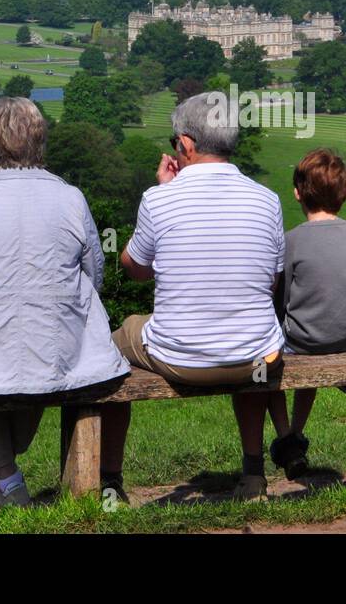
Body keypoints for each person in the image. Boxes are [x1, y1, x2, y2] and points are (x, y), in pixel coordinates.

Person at [0, 97, 129, 508]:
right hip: (56, 344)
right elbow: (95, 275)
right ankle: (7, 476)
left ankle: (5, 479)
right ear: (39, 138)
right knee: (34, 371)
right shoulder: (71, 198)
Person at [102, 92, 285, 502]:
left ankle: (109, 480)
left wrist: (164, 189)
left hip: (180, 357)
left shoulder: (158, 200)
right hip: (255, 358)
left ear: (186, 145)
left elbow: (132, 268)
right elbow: (269, 283)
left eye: (175, 145)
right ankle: (253, 475)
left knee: (109, 347)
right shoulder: (267, 200)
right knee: (251, 340)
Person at [266, 148, 346, 479]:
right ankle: (297, 431)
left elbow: (278, 300)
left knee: (266, 357)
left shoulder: (292, 240)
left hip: (302, 340)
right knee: (307, 339)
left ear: (298, 192)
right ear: (344, 193)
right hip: (341, 338)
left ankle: (285, 437)